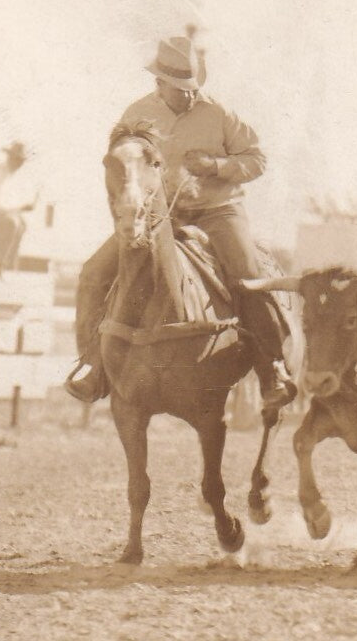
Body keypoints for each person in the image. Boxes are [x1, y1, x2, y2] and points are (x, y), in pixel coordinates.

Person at [66, 35, 291, 407]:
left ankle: (273, 369)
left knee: (248, 275)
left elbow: (257, 159)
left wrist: (216, 166)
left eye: (192, 85)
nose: (189, 93)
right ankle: (93, 365)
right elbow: (120, 167)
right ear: (159, 82)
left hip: (218, 210)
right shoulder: (136, 115)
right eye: (179, 86)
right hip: (158, 216)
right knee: (93, 273)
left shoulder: (219, 114)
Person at [0, 141, 41, 279]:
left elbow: (7, 203)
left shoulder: (12, 176)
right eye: (17, 159)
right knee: (10, 223)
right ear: (9, 157)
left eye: (21, 161)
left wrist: (22, 208)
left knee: (21, 224)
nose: (19, 163)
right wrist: (17, 209)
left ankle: (3, 264)